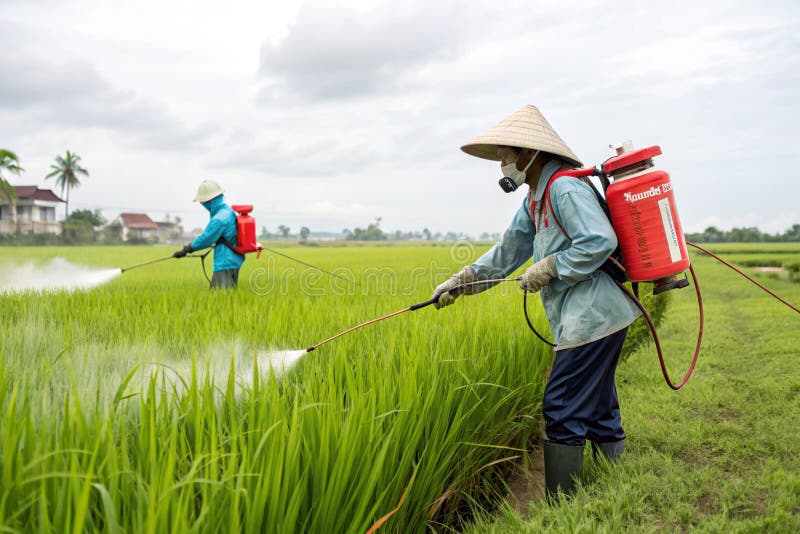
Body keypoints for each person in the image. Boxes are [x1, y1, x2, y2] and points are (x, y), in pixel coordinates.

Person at [432, 105, 641, 497]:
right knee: (596, 404)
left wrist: (550, 266)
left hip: (593, 316)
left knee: (561, 404)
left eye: (505, 155)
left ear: (529, 153)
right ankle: (616, 483)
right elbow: (508, 251)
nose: (502, 164)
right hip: (590, 318)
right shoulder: (535, 199)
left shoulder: (564, 187)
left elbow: (599, 241)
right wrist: (462, 283)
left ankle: (564, 502)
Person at [173, 180, 244, 289]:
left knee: (220, 298)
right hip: (233, 259)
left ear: (211, 201)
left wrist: (187, 249)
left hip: (225, 262)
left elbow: (206, 238)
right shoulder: (228, 211)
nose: (203, 205)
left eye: (203, 202)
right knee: (229, 297)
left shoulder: (219, 218)